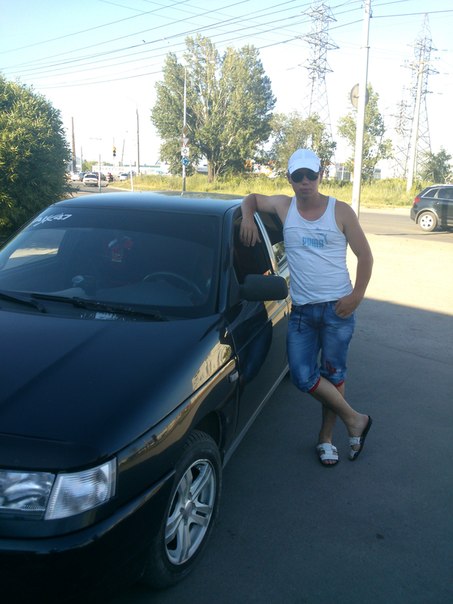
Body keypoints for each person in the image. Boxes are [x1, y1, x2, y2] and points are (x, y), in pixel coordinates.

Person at [240, 148, 373, 466]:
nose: (304, 182)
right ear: (289, 178)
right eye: (298, 176)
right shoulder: (283, 206)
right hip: (302, 311)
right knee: (301, 376)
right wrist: (246, 217)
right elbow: (252, 198)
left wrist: (357, 296)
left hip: (337, 309)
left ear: (320, 175)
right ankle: (355, 419)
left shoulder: (340, 211)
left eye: (310, 175)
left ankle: (326, 439)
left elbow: (365, 256)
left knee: (334, 373)